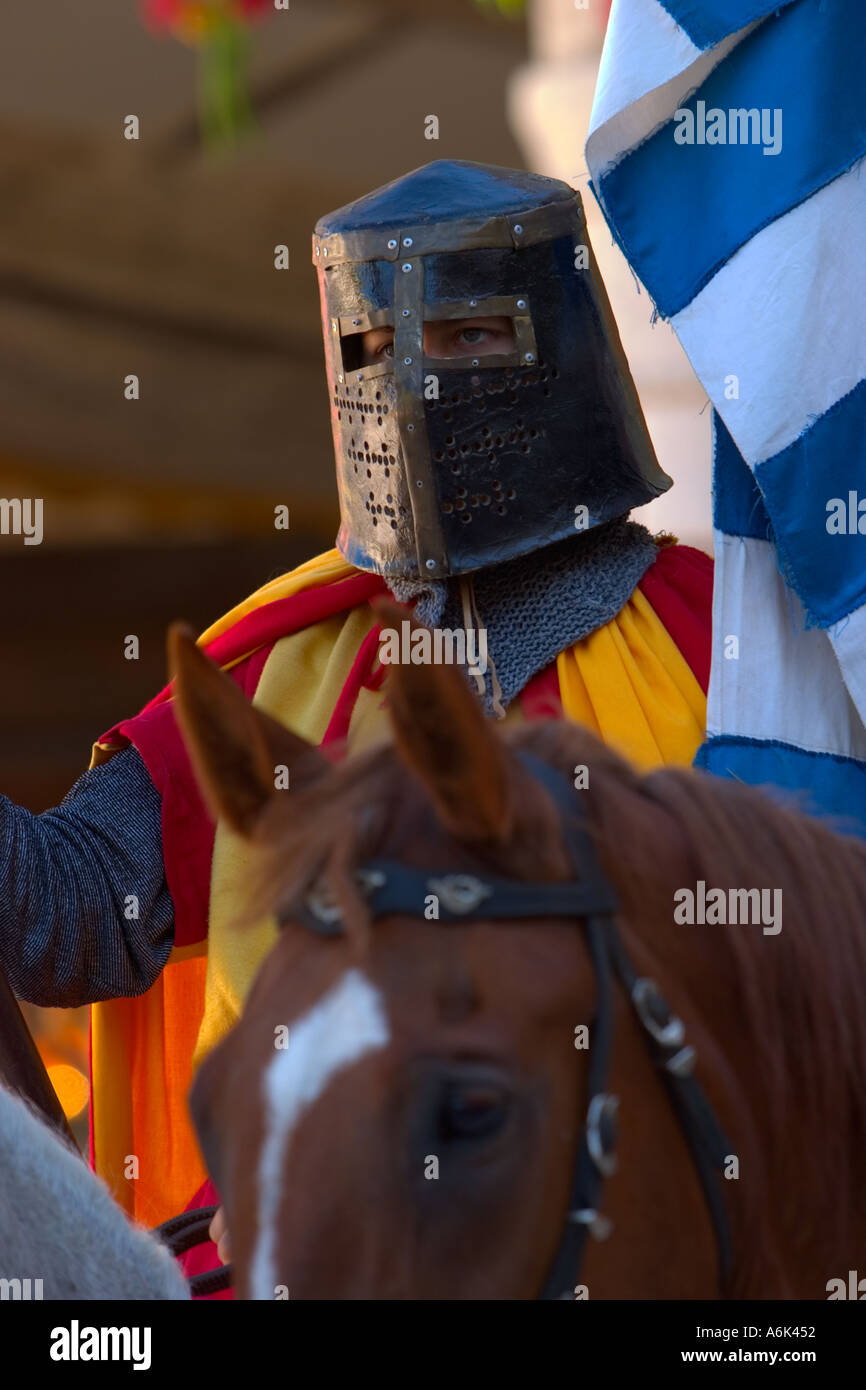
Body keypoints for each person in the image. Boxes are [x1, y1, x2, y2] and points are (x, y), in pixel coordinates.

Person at [0, 160, 711, 1290]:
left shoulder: (724, 643)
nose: (418, 382)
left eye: (469, 335)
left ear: (561, 342)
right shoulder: (277, 665)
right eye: (372, 350)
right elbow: (65, 911)